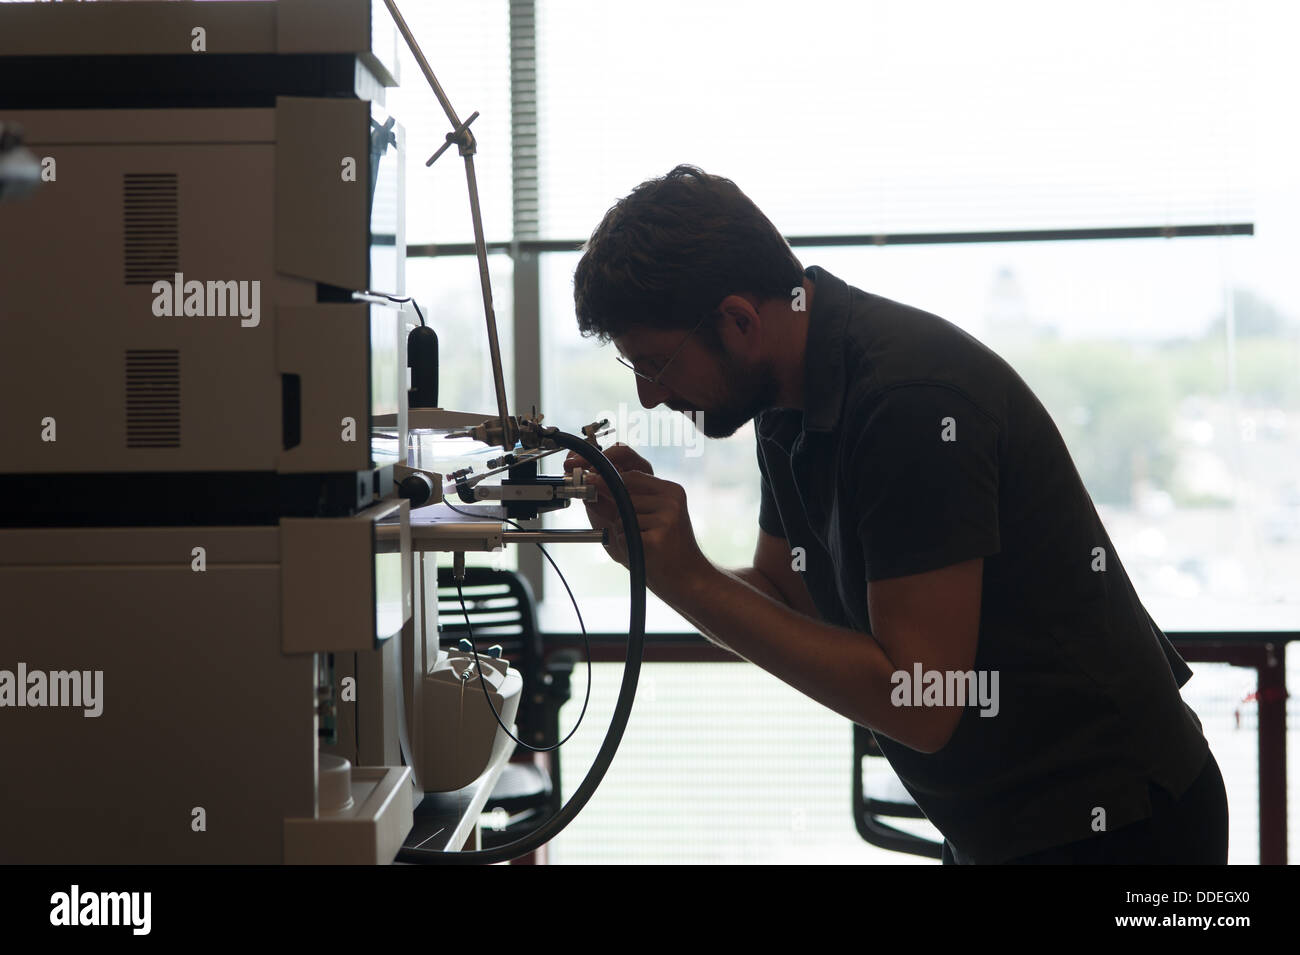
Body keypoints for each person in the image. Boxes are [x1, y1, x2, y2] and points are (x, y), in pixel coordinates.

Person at [562, 164, 1228, 864]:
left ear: (739, 321)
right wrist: (658, 557)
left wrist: (690, 577)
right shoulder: (784, 396)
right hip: (998, 822)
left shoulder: (907, 402)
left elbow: (920, 701)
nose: (649, 396)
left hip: (1119, 822)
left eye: (659, 364)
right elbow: (787, 593)